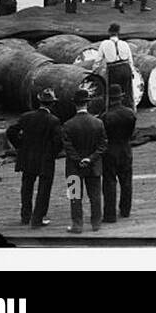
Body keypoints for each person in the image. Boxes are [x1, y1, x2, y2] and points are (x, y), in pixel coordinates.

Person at [5, 87, 61, 228]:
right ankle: (38, 218)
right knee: (44, 189)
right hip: (45, 160)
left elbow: (11, 131)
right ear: (52, 104)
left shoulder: (27, 117)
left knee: (27, 187)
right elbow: (58, 143)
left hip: (28, 158)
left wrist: (20, 146)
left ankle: (25, 216)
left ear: (39, 101)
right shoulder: (54, 120)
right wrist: (51, 154)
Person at [62, 88, 107, 233]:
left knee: (75, 197)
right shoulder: (98, 123)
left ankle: (77, 225)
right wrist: (90, 158)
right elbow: (103, 145)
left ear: (75, 105)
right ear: (87, 104)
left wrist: (79, 159)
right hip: (93, 167)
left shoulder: (68, 125)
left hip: (74, 168)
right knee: (95, 196)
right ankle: (96, 224)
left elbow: (67, 147)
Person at [100, 84, 136, 223]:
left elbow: (103, 135)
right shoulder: (130, 113)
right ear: (121, 97)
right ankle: (125, 210)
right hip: (126, 149)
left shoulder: (106, 116)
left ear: (110, 98)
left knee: (109, 182)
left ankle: (110, 215)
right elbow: (131, 132)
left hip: (110, 150)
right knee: (126, 181)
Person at [97, 24, 136, 110]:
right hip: (126, 68)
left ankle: (113, 110)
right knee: (127, 92)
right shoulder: (125, 44)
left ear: (109, 32)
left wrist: (94, 71)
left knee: (113, 91)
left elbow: (98, 60)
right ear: (118, 33)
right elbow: (130, 60)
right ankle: (129, 110)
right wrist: (132, 71)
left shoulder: (104, 43)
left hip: (114, 69)